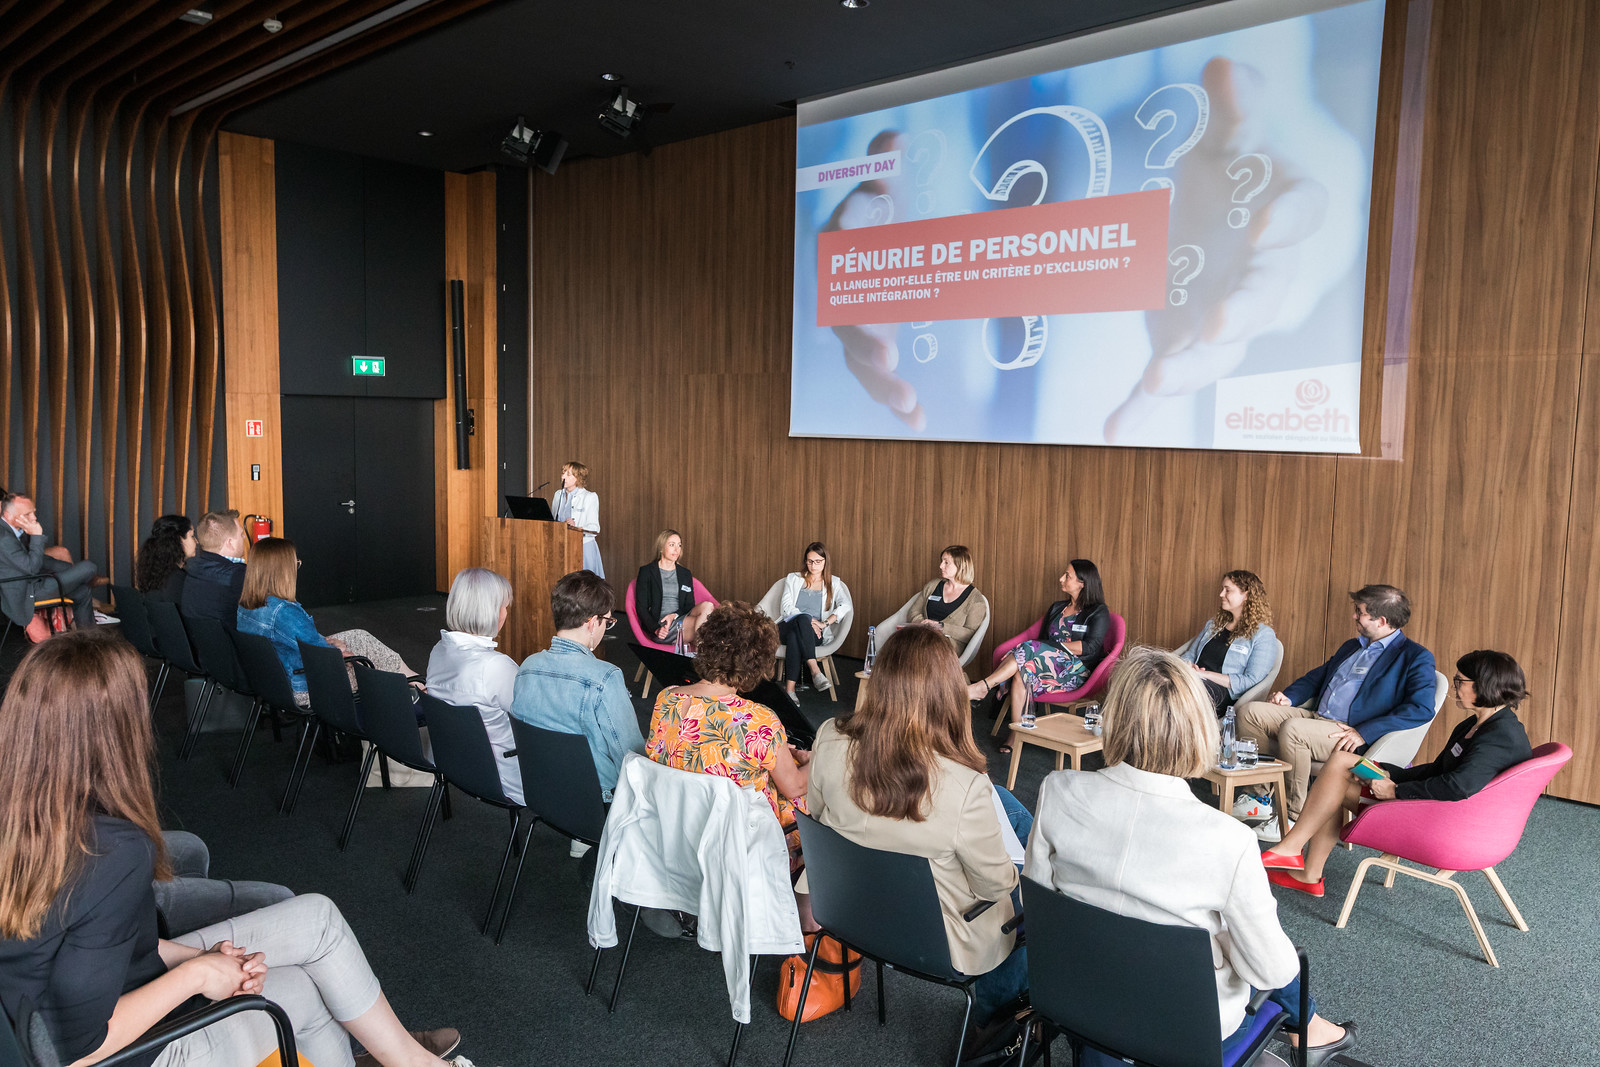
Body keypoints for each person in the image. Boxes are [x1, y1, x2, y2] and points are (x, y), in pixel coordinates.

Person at [0, 630, 473, 1067]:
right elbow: (81, 1048)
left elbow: (94, 950)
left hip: (69, 1009)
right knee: (304, 992)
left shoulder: (26, 817)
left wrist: (199, 959)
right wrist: (198, 976)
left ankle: (408, 1061)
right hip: (130, 1052)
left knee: (319, 919)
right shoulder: (113, 852)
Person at [1024, 647, 1354, 1065]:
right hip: (1186, 1030)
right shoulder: (1229, 840)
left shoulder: (1058, 790)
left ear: (1114, 718)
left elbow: (1038, 903)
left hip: (1079, 1002)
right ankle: (1313, 1030)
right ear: (1200, 730)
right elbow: (1270, 971)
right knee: (1272, 956)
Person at [807, 626, 1027, 1024]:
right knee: (1033, 894)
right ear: (948, 692)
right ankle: (993, 1025)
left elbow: (819, 820)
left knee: (1003, 803)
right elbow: (994, 887)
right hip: (935, 941)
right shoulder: (964, 785)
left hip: (850, 911)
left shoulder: (828, 736)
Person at [1261, 649, 1534, 896]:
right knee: (1343, 762)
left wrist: (1396, 790)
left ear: (1484, 685)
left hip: (1446, 824)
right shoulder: (1475, 726)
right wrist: (1387, 772)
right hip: (1439, 804)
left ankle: (1298, 858)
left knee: (1335, 783)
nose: (1455, 687)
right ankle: (1300, 861)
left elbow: (1458, 786)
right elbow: (1437, 770)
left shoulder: (1500, 736)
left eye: (1460, 681)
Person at [646, 602, 814, 925]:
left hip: (677, 832)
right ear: (756, 663)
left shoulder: (666, 699)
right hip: (740, 845)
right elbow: (794, 786)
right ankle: (804, 918)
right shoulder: (759, 720)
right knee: (817, 804)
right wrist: (816, 759)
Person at [1236, 584, 1436, 832]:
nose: (1354, 616)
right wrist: (1289, 697)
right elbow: (1318, 677)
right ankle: (1260, 797)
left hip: (1349, 732)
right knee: (1250, 712)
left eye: (1360, 612)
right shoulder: (1352, 646)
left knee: (1293, 730)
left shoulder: (1415, 657)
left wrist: (1364, 732)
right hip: (1316, 716)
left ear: (1382, 621)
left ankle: (1292, 816)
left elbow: (1421, 708)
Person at [511, 570, 646, 854]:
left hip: (540, 792)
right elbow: (631, 755)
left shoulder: (526, 667)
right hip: (595, 804)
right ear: (592, 622)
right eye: (607, 621)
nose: (605, 628)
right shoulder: (604, 677)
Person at [236, 537, 420, 705]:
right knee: (370, 660)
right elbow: (322, 656)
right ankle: (416, 689)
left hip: (272, 682)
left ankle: (413, 685)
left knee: (360, 636)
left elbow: (300, 641)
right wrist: (339, 651)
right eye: (295, 564)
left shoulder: (246, 607)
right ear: (282, 572)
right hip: (306, 687)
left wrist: (331, 645)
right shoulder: (283, 612)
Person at [969, 559, 1110, 753]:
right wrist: (1043, 648)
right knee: (1021, 673)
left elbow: (1090, 647)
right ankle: (1017, 733)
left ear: (1082, 583)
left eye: (1067, 576)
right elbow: (1042, 639)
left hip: (1075, 671)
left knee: (1029, 650)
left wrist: (1050, 647)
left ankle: (984, 686)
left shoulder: (1098, 612)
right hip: (1045, 663)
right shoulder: (1057, 608)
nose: (1061, 579)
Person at [426, 568, 521, 805]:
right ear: (492, 611)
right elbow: (533, 720)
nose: (506, 613)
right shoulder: (496, 666)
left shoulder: (438, 651)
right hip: (503, 778)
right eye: (504, 606)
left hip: (453, 763)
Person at [1176, 570, 1278, 713]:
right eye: (1222, 589)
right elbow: (1190, 654)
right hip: (1192, 679)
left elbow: (1251, 680)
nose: (1221, 594)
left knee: (1177, 696)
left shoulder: (1263, 635)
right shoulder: (1213, 624)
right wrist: (1188, 667)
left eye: (1227, 590)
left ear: (1246, 595)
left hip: (1223, 692)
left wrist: (1204, 675)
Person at [0, 491, 98, 638]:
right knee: (89, 567)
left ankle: (89, 640)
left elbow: (40, 560)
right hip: (26, 593)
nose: (34, 518)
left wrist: (69, 571)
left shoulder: (14, 529)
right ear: (8, 515)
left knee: (82, 591)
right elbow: (32, 567)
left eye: (33, 512)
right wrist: (36, 536)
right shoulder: (3, 538)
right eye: (27, 514)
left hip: (34, 581)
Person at [775, 541, 853, 696]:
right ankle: (815, 670)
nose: (813, 566)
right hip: (787, 625)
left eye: (818, 561)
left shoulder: (833, 582)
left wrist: (825, 623)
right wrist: (810, 621)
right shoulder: (793, 578)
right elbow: (786, 606)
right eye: (810, 561)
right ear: (805, 561)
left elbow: (846, 605)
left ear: (825, 561)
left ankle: (790, 690)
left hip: (813, 633)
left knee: (795, 637)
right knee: (801, 620)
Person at [633, 529, 714, 649]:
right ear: (661, 548)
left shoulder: (685, 573)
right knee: (709, 627)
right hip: (662, 626)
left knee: (708, 606)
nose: (677, 549)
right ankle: (700, 652)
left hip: (680, 618)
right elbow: (641, 608)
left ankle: (698, 650)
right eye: (672, 545)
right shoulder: (647, 571)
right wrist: (655, 629)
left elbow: (689, 605)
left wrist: (674, 615)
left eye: (679, 545)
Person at [903, 545, 988, 652]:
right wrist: (924, 624)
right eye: (942, 561)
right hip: (921, 636)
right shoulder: (932, 585)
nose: (940, 566)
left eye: (946, 562)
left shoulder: (976, 600)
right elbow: (913, 611)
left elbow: (971, 634)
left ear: (961, 566)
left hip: (947, 647)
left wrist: (940, 626)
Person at [183, 509, 249, 623]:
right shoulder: (239, 575)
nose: (243, 538)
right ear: (230, 543)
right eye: (241, 534)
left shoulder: (192, 570)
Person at [551, 461, 603, 577]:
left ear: (578, 478)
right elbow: (553, 521)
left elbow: (595, 528)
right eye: (563, 473)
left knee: (584, 584)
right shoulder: (558, 495)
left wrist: (577, 527)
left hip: (583, 547)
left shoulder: (589, 497)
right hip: (562, 546)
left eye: (568, 474)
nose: (563, 477)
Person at [135, 515, 198, 604]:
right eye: (192, 536)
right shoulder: (177, 580)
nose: (197, 541)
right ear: (179, 540)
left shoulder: (157, 575)